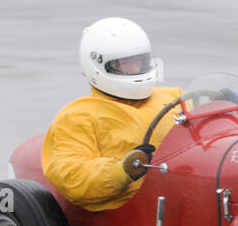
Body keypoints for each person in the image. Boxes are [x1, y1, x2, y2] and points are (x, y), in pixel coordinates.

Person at [42, 17, 182, 212]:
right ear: (99, 66)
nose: (134, 69)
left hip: (184, 191)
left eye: (139, 62)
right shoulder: (77, 116)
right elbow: (72, 174)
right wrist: (122, 170)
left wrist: (223, 102)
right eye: (123, 64)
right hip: (133, 210)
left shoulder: (174, 96)